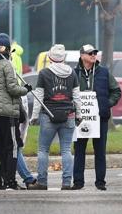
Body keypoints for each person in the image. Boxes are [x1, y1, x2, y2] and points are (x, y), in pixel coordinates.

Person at [0, 32, 30, 190]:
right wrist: (25, 90)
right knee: (11, 147)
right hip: (7, 113)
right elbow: (12, 88)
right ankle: (10, 181)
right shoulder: (7, 64)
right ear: (8, 49)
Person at [30, 44, 78, 191]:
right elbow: (77, 96)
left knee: (43, 150)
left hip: (48, 115)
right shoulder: (72, 73)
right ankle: (66, 183)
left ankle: (42, 182)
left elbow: (38, 95)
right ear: (64, 58)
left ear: (50, 58)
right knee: (66, 150)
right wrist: (80, 114)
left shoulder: (44, 73)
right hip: (68, 115)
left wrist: (34, 116)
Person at [73, 43, 120, 191]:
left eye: (94, 53)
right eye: (90, 53)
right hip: (80, 119)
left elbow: (116, 91)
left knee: (100, 151)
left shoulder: (104, 72)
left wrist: (106, 105)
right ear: (82, 56)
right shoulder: (74, 73)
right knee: (79, 151)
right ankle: (78, 182)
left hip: (100, 118)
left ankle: (100, 182)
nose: (93, 55)